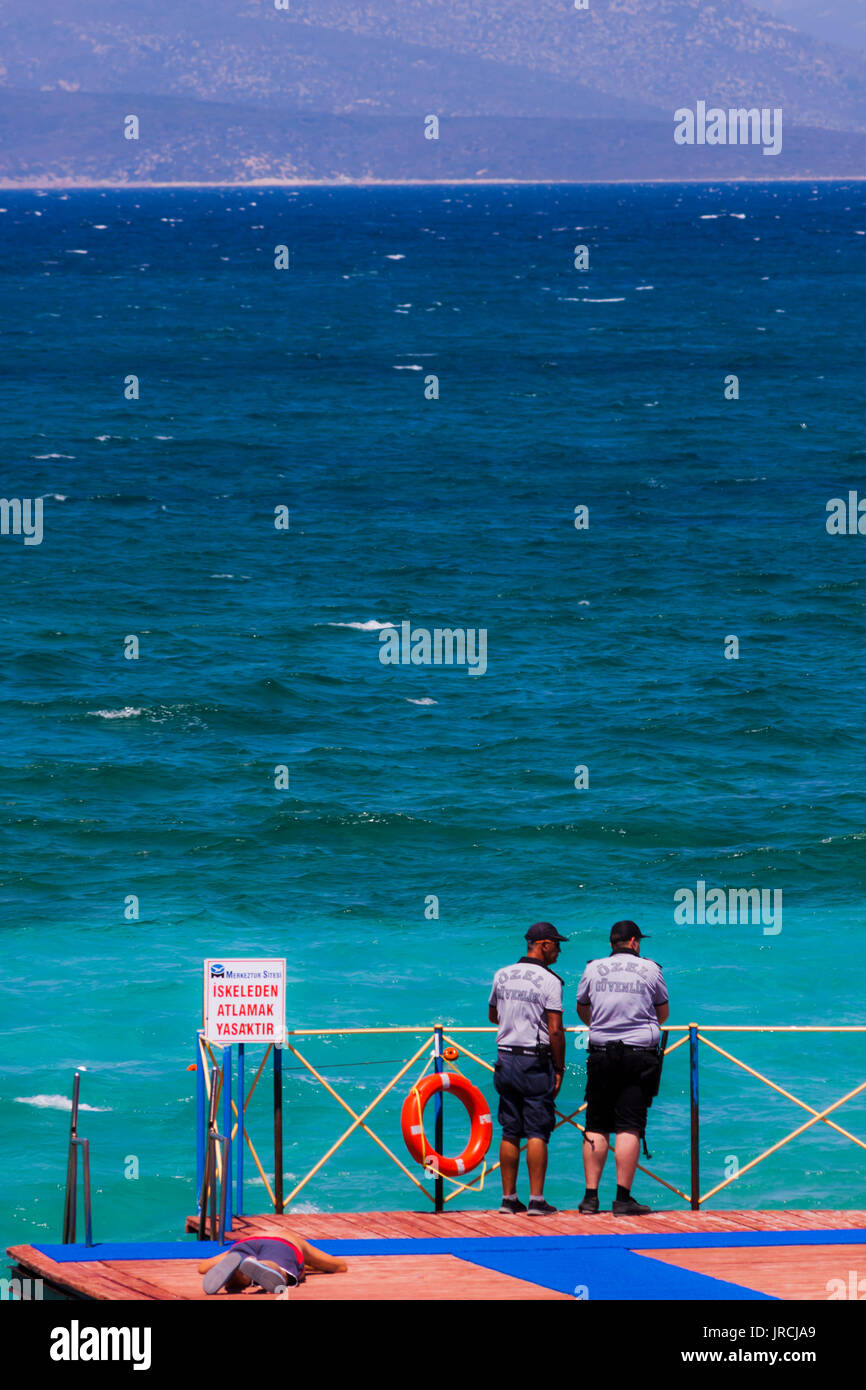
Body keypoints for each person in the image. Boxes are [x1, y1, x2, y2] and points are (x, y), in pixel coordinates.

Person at [576, 920, 669, 1216]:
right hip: (638, 1055)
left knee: (596, 1124)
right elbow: (663, 1013)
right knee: (629, 1125)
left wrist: (601, 1025)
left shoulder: (593, 968)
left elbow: (582, 1007)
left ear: (611, 943)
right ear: (634, 942)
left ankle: (590, 1198)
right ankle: (622, 1198)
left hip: (601, 1053)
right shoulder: (651, 969)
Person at [488, 922, 567, 1215]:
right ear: (544, 945)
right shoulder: (550, 981)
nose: (559, 951)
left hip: (505, 1057)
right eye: (556, 945)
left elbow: (493, 1015)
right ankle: (536, 1199)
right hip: (534, 1060)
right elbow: (555, 1029)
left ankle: (508, 1199)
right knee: (537, 1130)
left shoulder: (502, 974)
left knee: (510, 1130)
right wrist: (559, 1068)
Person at [198, 1228, 347, 1295]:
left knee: (238, 1265)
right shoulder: (293, 1239)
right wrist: (309, 1266)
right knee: (279, 1269)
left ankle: (238, 1273)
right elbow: (339, 1266)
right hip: (280, 1244)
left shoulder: (254, 1236)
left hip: (244, 1244)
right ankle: (267, 1266)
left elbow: (203, 1267)